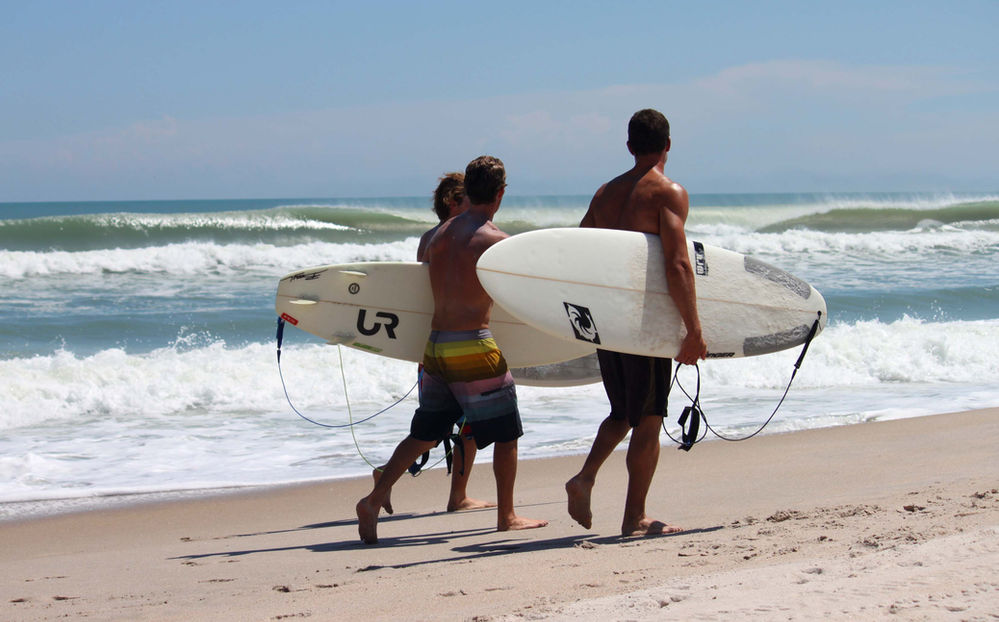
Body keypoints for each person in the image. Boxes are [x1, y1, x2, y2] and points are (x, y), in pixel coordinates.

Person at [356, 156, 548, 544]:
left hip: (436, 346)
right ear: (500, 193)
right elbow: (519, 297)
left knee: (427, 431)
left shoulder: (435, 237)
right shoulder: (497, 242)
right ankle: (506, 516)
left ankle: (374, 498)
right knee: (507, 433)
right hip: (474, 346)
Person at [565, 109, 708, 537]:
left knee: (624, 411)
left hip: (609, 319)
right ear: (668, 144)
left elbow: (580, 249)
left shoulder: (605, 193)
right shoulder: (668, 192)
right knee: (648, 418)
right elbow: (678, 264)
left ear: (629, 147)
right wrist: (694, 330)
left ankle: (585, 477)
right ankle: (634, 517)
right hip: (642, 320)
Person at [372, 172, 494, 515]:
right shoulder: (456, 238)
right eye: (467, 200)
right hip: (460, 345)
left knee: (444, 427)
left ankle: (394, 478)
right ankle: (453, 495)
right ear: (453, 203)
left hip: (432, 345)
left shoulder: (431, 239)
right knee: (454, 426)